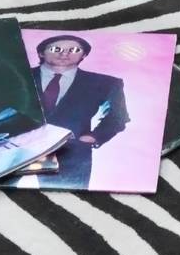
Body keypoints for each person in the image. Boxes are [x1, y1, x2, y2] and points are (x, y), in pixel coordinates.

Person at [30, 33, 129, 189]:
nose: (64, 53)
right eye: (56, 49)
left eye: (74, 50)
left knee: (63, 200)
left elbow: (118, 117)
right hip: (13, 151)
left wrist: (94, 137)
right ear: (41, 52)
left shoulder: (105, 83)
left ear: (84, 55)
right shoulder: (17, 76)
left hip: (72, 155)